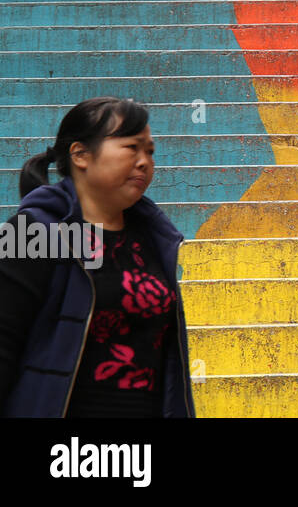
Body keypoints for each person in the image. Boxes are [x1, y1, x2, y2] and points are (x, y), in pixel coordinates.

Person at [0, 97, 195, 417]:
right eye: (132, 147)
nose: (145, 161)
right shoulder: (32, 231)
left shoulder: (155, 238)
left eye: (150, 151)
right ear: (80, 155)